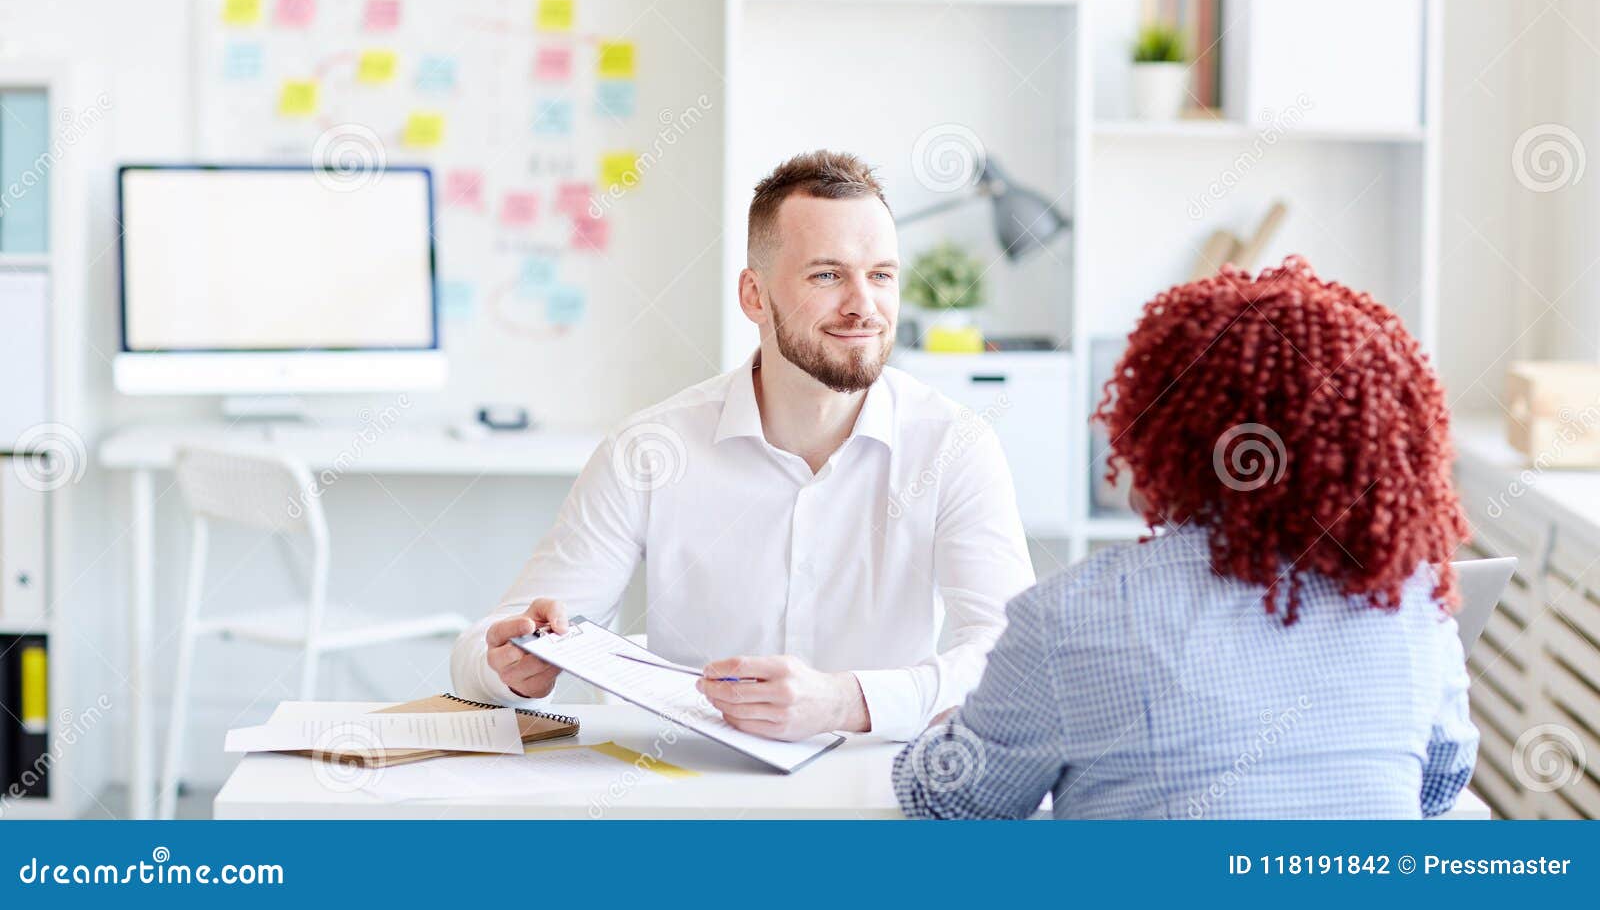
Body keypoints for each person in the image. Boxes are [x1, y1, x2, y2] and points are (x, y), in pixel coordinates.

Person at [450, 150, 1035, 741]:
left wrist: (845, 702)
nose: (864, 305)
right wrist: (511, 664)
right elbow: (494, 641)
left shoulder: (954, 446)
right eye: (827, 275)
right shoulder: (650, 449)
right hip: (690, 793)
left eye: (881, 274)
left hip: (877, 795)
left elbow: (1012, 658)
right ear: (755, 296)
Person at [893, 257, 1478, 817]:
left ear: (1157, 427)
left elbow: (958, 805)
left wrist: (941, 731)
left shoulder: (1071, 617)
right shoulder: (1411, 604)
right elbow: (1439, 785)